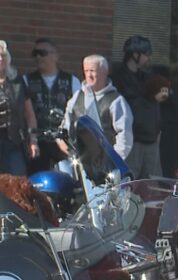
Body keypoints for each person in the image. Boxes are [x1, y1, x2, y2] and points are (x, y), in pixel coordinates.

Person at [22, 38, 79, 173]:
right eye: (35, 53)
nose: (38, 57)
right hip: (37, 142)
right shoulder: (26, 81)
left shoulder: (71, 81)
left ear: (55, 56)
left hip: (63, 142)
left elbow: (78, 112)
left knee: (68, 176)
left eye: (42, 53)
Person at [61, 55, 132, 162]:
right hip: (79, 161)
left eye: (93, 71)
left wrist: (114, 160)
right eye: (86, 71)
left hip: (105, 163)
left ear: (104, 72)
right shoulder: (77, 97)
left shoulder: (116, 100)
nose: (89, 75)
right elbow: (65, 126)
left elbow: (125, 135)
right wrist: (65, 145)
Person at [112, 35, 163, 177]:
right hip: (132, 142)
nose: (148, 58)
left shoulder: (147, 78)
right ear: (135, 55)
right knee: (130, 181)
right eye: (146, 54)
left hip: (151, 141)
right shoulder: (118, 80)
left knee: (152, 184)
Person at [0, 41, 38, 176]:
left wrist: (33, 140)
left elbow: (30, 114)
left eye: (3, 56)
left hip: (13, 141)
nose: (0, 59)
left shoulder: (17, 81)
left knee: (18, 179)